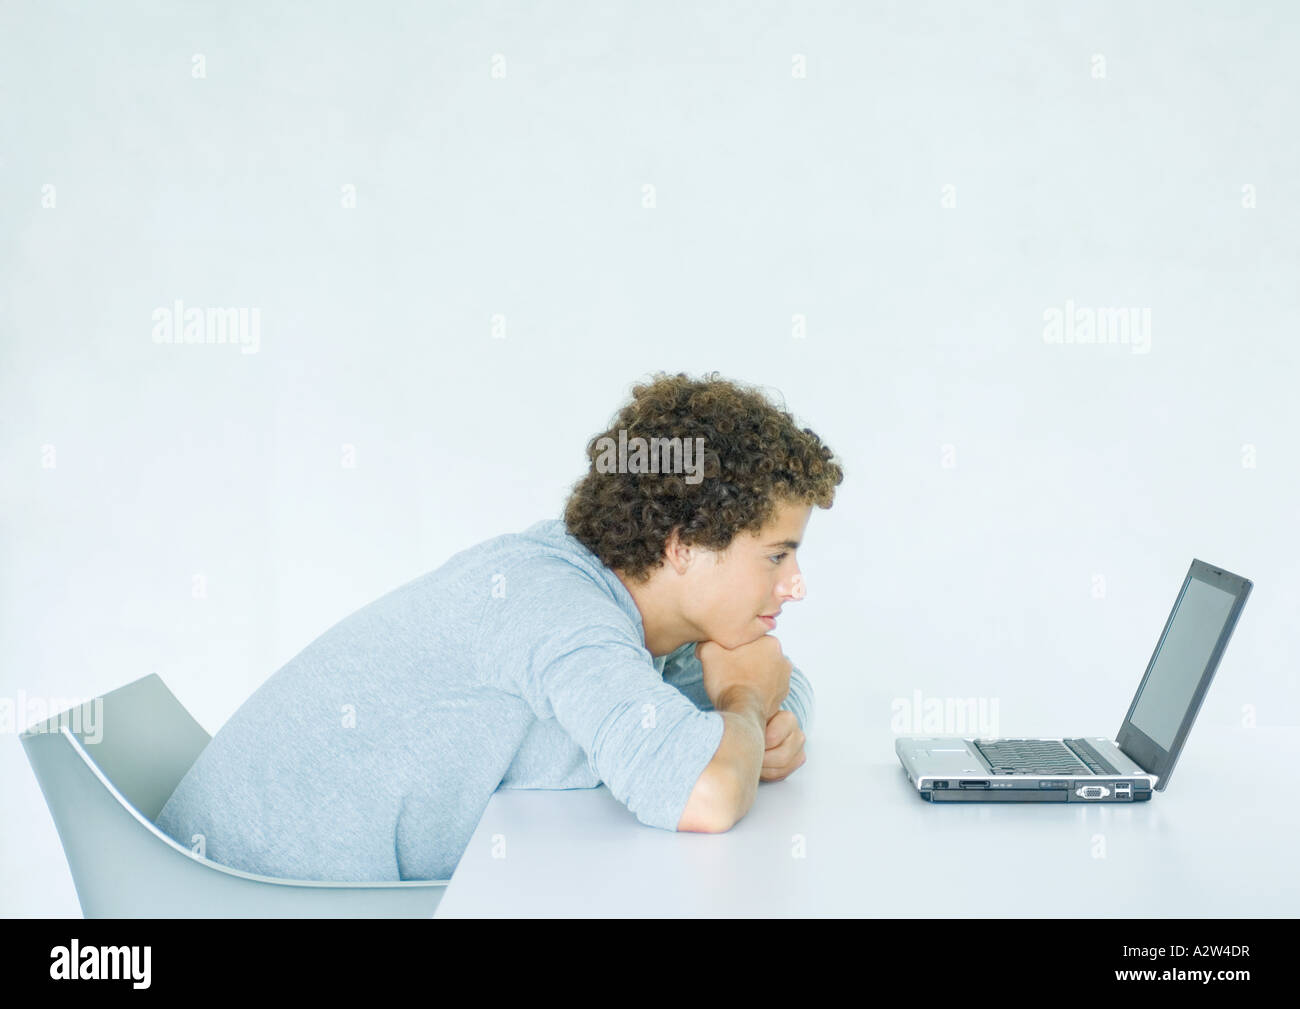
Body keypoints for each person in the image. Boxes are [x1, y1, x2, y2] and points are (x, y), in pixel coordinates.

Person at [154, 371, 844, 881]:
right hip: (233, 894)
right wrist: (743, 710)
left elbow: (777, 682)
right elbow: (707, 791)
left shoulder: (632, 618)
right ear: (682, 544)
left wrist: (753, 720)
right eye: (777, 556)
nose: (794, 585)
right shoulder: (555, 605)